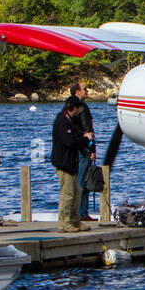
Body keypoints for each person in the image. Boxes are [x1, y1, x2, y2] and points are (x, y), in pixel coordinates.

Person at [52, 96, 93, 233]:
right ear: (74, 108)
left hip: (72, 162)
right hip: (64, 163)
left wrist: (85, 142)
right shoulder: (61, 121)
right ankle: (64, 223)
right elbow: (69, 141)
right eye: (79, 108)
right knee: (67, 194)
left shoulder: (70, 121)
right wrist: (84, 139)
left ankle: (75, 220)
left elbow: (75, 138)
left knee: (77, 192)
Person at [70, 82, 96, 219]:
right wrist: (92, 149)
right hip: (83, 149)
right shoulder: (82, 108)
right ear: (77, 92)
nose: (87, 91)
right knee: (83, 180)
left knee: (80, 180)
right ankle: (81, 213)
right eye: (84, 89)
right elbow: (88, 130)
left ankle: (80, 212)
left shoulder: (71, 110)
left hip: (76, 148)